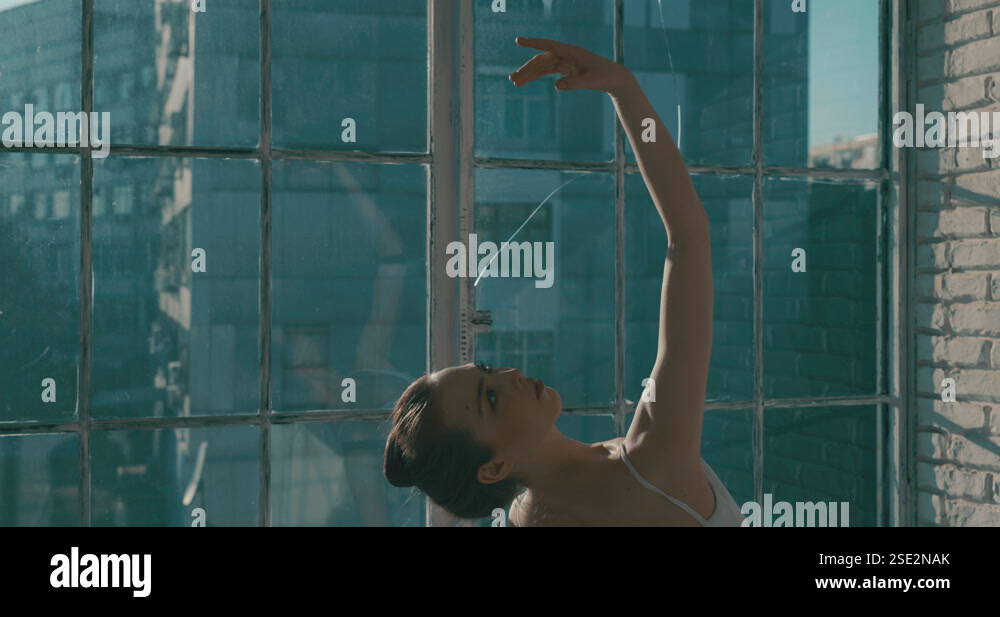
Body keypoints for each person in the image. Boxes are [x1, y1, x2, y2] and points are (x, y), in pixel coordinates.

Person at [383, 37, 744, 526]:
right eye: (490, 398)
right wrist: (624, 90)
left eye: (487, 371)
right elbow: (688, 236)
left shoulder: (524, 515)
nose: (510, 378)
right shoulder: (651, 462)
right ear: (494, 467)